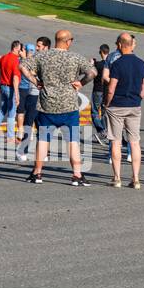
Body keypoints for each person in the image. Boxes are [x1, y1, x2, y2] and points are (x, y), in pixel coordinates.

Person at [22, 29, 95, 185]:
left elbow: (23, 66)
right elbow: (92, 73)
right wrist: (81, 83)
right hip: (69, 105)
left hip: (47, 104)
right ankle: (77, 174)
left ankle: (38, 173)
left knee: (43, 139)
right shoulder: (75, 57)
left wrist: (35, 81)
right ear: (68, 41)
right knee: (72, 140)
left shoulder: (42, 55)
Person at [103, 32, 144, 188]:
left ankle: (117, 178)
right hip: (134, 105)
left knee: (115, 141)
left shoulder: (117, 64)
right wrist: (138, 98)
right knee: (134, 142)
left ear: (120, 45)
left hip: (117, 105)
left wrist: (107, 103)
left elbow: (111, 88)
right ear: (132, 44)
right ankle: (135, 178)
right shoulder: (141, 63)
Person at [0, 40, 22, 147]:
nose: (20, 51)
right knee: (12, 113)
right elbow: (15, 79)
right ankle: (10, 137)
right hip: (11, 88)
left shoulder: (4, 57)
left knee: (2, 109)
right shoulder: (16, 60)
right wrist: (17, 94)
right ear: (16, 48)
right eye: (20, 49)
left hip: (3, 86)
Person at [14, 40, 42, 160]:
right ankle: (42, 153)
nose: (36, 48)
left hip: (35, 94)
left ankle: (23, 151)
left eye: (39, 46)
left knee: (29, 123)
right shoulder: (38, 59)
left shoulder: (37, 60)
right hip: (35, 93)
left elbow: (30, 72)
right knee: (39, 124)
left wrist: (24, 59)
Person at [91, 42, 113, 147]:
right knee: (104, 112)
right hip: (106, 90)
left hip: (97, 90)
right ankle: (105, 132)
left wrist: (92, 63)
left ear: (101, 52)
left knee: (95, 111)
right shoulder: (109, 64)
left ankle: (102, 131)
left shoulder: (98, 64)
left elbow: (90, 72)